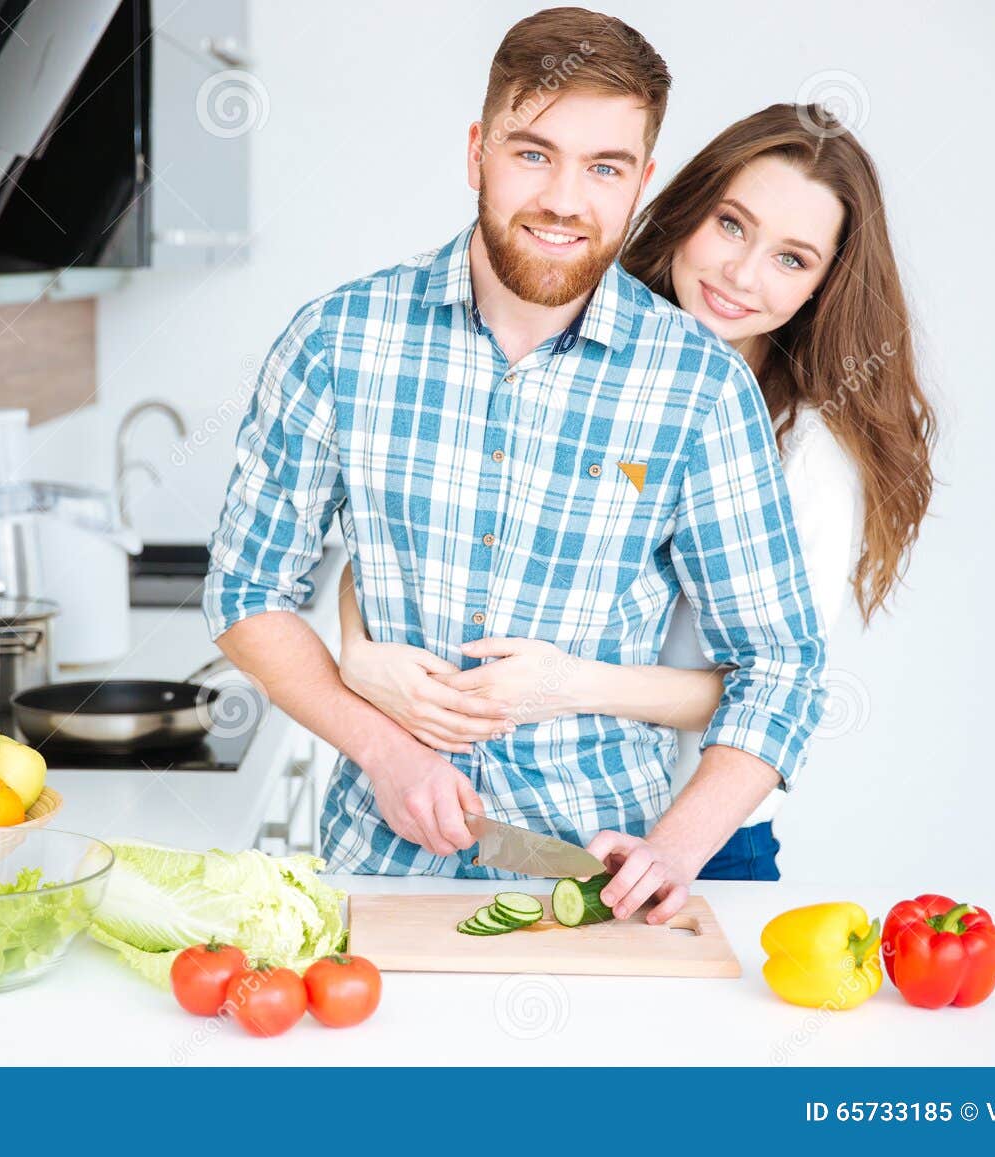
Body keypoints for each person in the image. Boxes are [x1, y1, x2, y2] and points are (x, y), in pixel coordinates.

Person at [204, 7, 826, 923]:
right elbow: (246, 592)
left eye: (604, 168)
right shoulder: (338, 340)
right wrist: (384, 749)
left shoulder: (699, 388)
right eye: (533, 153)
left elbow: (781, 668)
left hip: (596, 887)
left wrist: (673, 849)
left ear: (641, 181)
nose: (566, 200)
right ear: (476, 154)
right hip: (380, 874)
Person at [336, 104, 937, 880]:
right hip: (517, 829)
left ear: (825, 286)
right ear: (687, 209)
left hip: (696, 834)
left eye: (792, 259)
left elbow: (776, 676)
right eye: (731, 225)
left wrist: (566, 686)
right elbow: (411, 534)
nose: (741, 274)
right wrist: (358, 653)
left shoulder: (808, 454)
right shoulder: (572, 345)